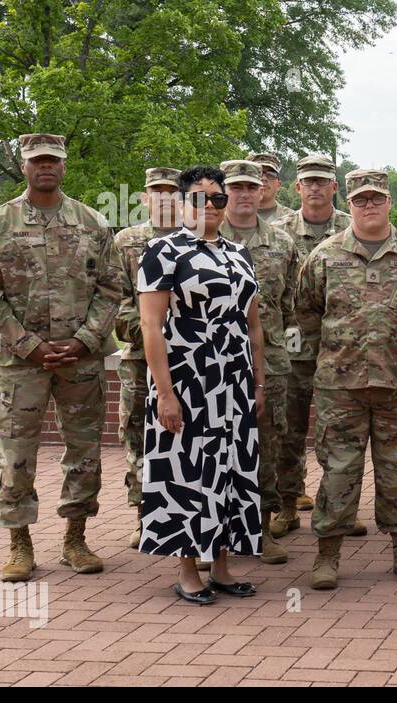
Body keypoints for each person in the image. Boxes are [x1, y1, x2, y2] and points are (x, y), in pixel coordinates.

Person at [0, 132, 123, 582]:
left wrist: (85, 340)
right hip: (20, 365)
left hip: (81, 360)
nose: (46, 167)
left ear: (64, 165)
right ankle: (20, 543)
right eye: (37, 161)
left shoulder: (93, 223)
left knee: (85, 450)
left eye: (53, 160)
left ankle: (76, 538)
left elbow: (112, 287)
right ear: (24, 167)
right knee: (16, 453)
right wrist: (29, 345)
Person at [296, 169, 397, 589]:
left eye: (376, 199)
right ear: (350, 204)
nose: (369, 206)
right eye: (360, 200)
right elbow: (306, 314)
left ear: (389, 201)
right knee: (339, 471)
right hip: (341, 386)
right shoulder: (324, 256)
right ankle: (328, 554)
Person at [136, 165, 265, 605]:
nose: (210, 206)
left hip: (233, 381)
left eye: (218, 198)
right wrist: (165, 393)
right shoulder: (163, 252)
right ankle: (188, 570)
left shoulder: (239, 253)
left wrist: (259, 383)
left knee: (231, 469)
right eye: (200, 198)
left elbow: (253, 323)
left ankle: (223, 567)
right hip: (188, 380)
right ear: (182, 202)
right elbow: (150, 327)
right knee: (188, 471)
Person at [219, 159, 301, 565]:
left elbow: (291, 305)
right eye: (236, 188)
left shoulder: (283, 243)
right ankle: (215, 534)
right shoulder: (206, 240)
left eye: (252, 186)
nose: (245, 194)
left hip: (269, 360)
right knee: (217, 446)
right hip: (214, 362)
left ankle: (261, 529)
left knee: (268, 444)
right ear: (223, 192)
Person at [271, 154, 356, 538]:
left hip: (342, 351)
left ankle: (339, 509)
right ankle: (287, 505)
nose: (316, 187)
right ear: (297, 187)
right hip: (292, 351)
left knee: (340, 434)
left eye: (323, 181)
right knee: (287, 432)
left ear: (335, 187)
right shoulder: (278, 230)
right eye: (309, 181)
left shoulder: (355, 228)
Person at [114, 167, 181, 549]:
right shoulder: (127, 242)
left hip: (188, 361)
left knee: (182, 435)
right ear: (144, 197)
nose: (163, 198)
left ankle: (179, 509)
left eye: (171, 191)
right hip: (140, 359)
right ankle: (144, 515)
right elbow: (117, 298)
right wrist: (151, 329)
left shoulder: (194, 241)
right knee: (138, 437)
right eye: (156, 191)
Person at [249, 152, 295, 223]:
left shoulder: (294, 220)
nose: (264, 178)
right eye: (258, 173)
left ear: (278, 185)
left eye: (271, 174)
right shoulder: (230, 216)